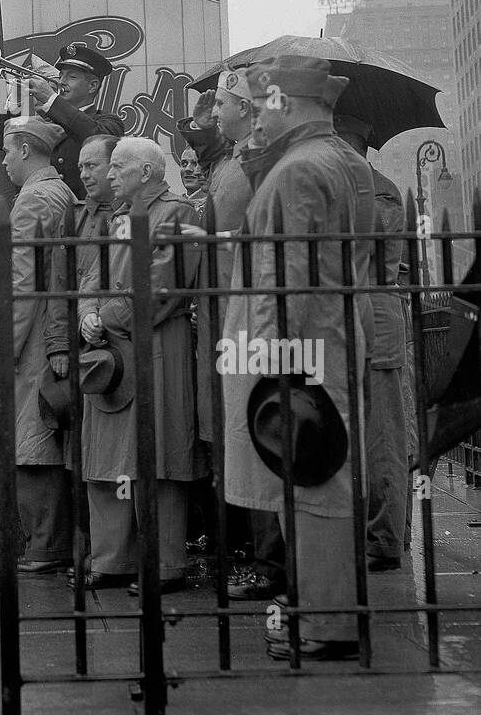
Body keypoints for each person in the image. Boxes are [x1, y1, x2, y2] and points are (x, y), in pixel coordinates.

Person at [222, 57, 374, 661]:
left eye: (263, 104)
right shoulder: (342, 160)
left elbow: (283, 282)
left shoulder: (299, 170)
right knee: (324, 481)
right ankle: (329, 616)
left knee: (310, 487)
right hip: (329, 342)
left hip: (299, 352)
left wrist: (270, 363)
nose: (256, 115)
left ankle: (324, 624)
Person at [83, 138, 205, 593]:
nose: (110, 175)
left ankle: (164, 564)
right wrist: (86, 314)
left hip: (156, 345)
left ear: (148, 172)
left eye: (118, 167)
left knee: (158, 456)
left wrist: (105, 316)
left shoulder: (179, 213)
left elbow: (165, 285)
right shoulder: (114, 215)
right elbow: (91, 276)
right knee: (108, 456)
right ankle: (112, 560)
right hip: (110, 353)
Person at [205, 67, 286, 601]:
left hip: (250, 316)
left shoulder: (253, 167)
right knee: (245, 432)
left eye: (220, 103)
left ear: (246, 109)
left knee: (259, 433)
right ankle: (261, 555)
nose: (214, 112)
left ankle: (271, 562)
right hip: (234, 313)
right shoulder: (230, 163)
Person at [43, 135, 135, 588]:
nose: (86, 173)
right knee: (84, 456)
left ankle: (118, 555)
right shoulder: (73, 216)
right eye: (81, 165)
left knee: (127, 456)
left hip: (126, 348)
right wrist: (59, 344)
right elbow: (61, 286)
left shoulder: (131, 217)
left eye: (95, 165)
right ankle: (91, 550)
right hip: (86, 353)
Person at [0, 117, 76, 572]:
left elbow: (22, 282)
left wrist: (5, 348)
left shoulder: (33, 199)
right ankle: (51, 540)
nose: (3, 160)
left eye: (6, 150)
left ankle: (45, 544)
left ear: (24, 150)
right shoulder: (59, 191)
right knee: (42, 434)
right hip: (49, 328)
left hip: (33, 334)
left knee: (31, 439)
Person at [334, 112, 410, 571]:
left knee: (382, 435)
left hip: (375, 318)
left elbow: (363, 250)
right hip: (356, 316)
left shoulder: (374, 189)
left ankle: (383, 539)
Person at [1, 41, 124, 199]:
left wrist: (51, 99)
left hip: (84, 214)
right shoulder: (45, 117)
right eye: (61, 76)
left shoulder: (109, 123)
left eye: (71, 77)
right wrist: (14, 104)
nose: (61, 82)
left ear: (93, 86)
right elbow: (4, 144)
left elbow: (93, 135)